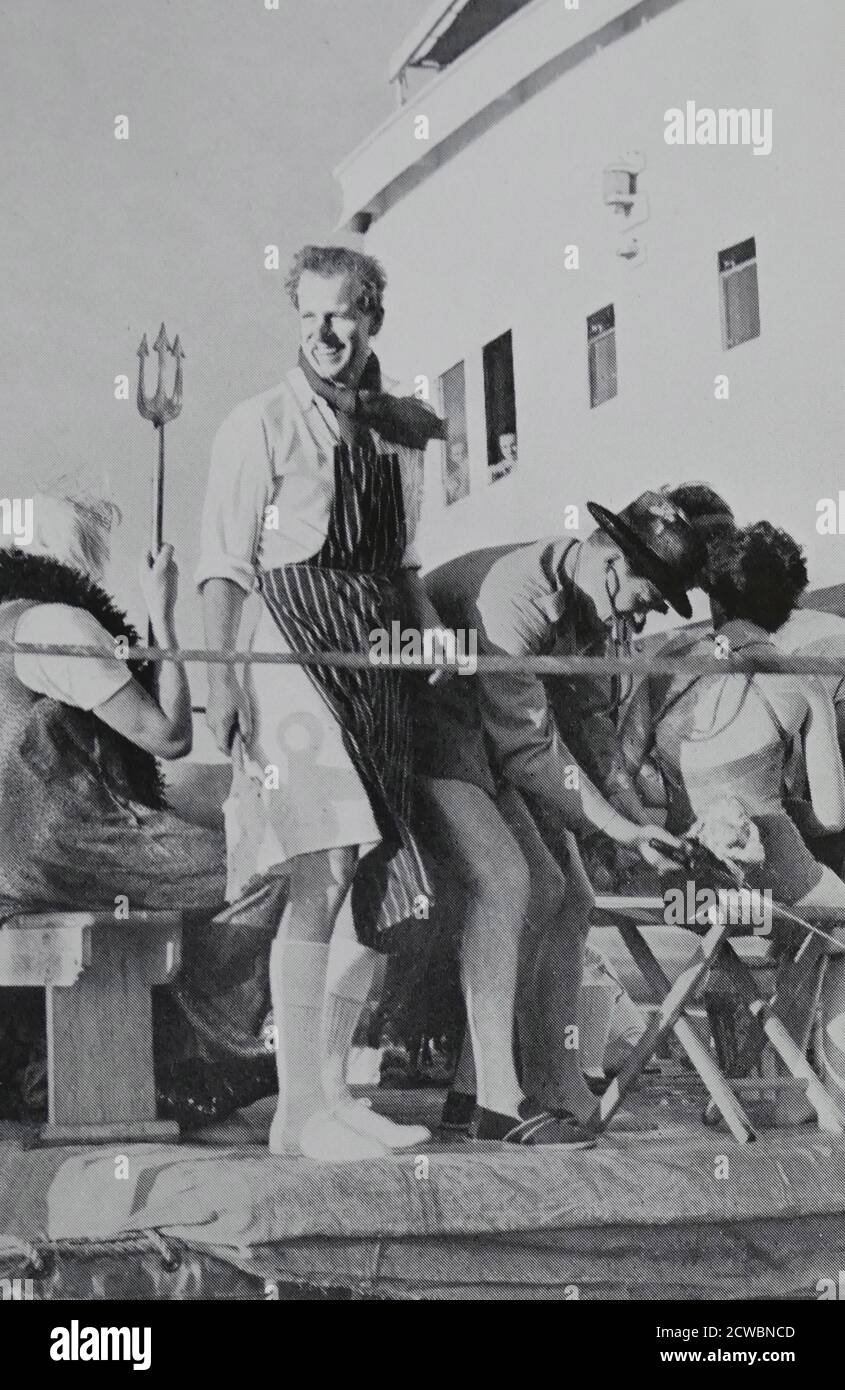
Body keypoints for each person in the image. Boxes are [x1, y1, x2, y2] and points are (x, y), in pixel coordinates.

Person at [197, 243, 447, 1160]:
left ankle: (333, 1094)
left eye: (341, 314)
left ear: (371, 315)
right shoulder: (255, 425)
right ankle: (296, 1114)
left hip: (372, 656)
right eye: (308, 318)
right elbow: (222, 570)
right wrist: (222, 688)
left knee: (380, 881)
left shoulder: (396, 432)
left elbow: (405, 563)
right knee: (326, 863)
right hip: (287, 656)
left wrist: (428, 642)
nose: (325, 334)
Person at [413, 490, 701, 1146]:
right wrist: (619, 826)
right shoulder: (521, 593)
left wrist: (638, 829)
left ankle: (531, 1082)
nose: (648, 612)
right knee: (507, 880)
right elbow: (529, 745)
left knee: (566, 895)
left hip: (485, 735)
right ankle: (496, 1101)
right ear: (612, 567)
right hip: (426, 718)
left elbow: (588, 738)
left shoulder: (592, 610)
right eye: (650, 596)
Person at [0, 486, 282, 1124]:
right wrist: (165, 613)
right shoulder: (55, 624)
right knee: (272, 863)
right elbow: (172, 737)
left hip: (11, 870)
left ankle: (83, 1066)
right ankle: (208, 1048)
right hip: (58, 848)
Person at [621, 520, 845, 1103]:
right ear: (787, 604)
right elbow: (836, 816)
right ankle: (794, 1087)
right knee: (834, 917)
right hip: (771, 878)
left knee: (730, 928)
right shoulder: (799, 677)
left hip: (681, 887)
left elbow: (619, 771)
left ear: (714, 596)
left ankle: (739, 1073)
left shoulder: (666, 664)